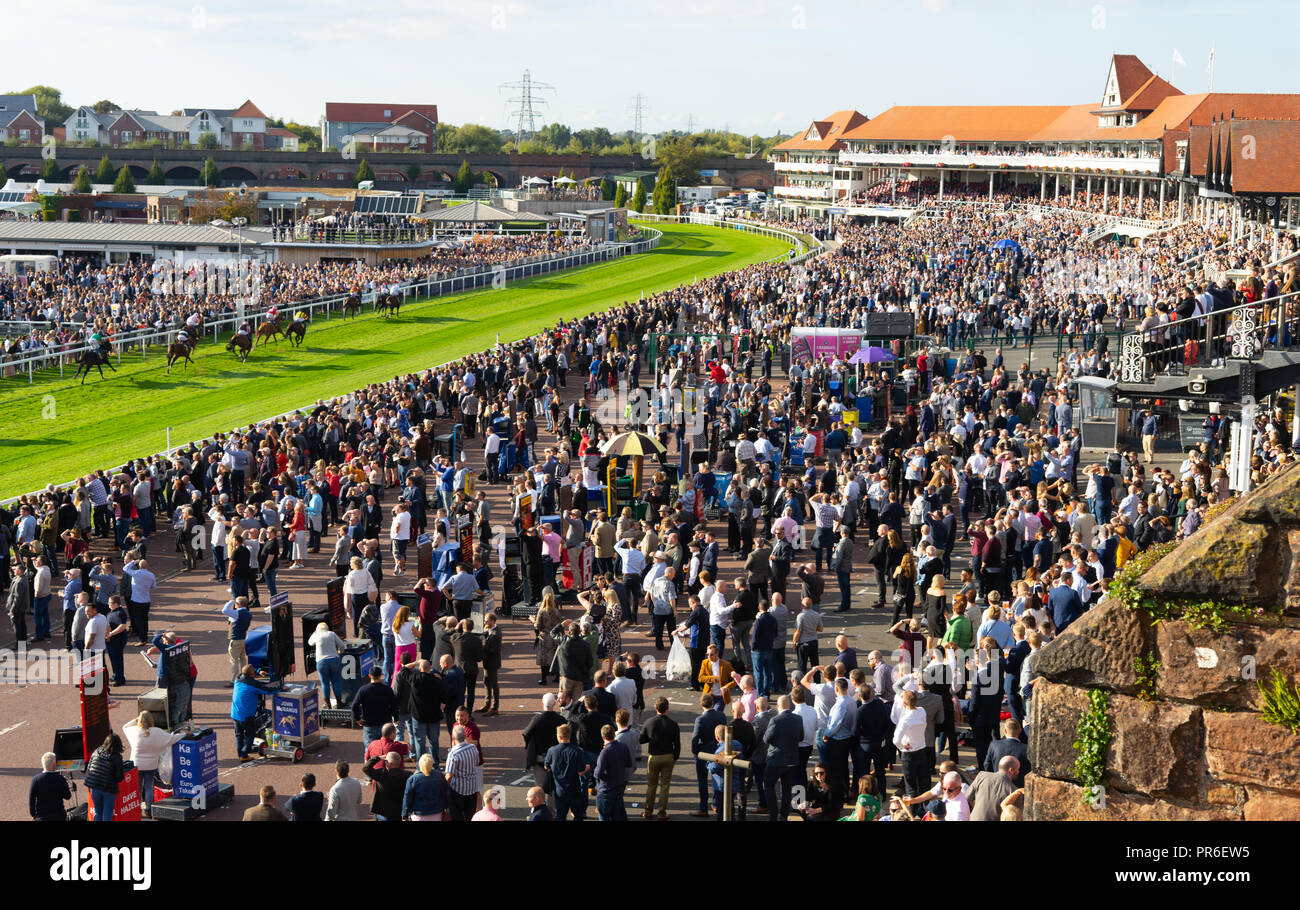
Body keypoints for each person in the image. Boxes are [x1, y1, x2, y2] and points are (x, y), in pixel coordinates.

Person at [123, 712, 186, 819]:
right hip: (151, 765)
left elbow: (125, 726)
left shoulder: (134, 731)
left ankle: (136, 809)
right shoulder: (157, 732)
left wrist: (135, 719)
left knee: (137, 789)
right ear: (151, 720)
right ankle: (148, 810)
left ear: (140, 721)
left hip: (136, 765)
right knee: (149, 787)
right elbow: (172, 739)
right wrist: (184, 734)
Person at [640, 696, 679, 820]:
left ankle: (648, 811)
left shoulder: (649, 722)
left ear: (655, 708)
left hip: (654, 757)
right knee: (665, 786)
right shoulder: (673, 724)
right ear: (667, 709)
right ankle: (662, 812)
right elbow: (677, 745)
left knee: (651, 785)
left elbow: (641, 739)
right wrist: (674, 757)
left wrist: (650, 737)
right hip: (668, 756)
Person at [545, 723, 591, 821]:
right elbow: (581, 772)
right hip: (574, 789)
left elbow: (546, 766)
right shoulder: (577, 751)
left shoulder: (552, 750)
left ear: (559, 736)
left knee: (560, 816)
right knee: (578, 815)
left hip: (559, 790)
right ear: (569, 735)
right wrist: (587, 767)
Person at [593, 722, 633, 821]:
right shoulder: (623, 747)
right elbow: (629, 764)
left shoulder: (605, 752)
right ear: (614, 734)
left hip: (606, 790)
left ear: (603, 737)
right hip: (619, 787)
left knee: (604, 816)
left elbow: (597, 774)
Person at [444, 724, 483, 821]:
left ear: (453, 737)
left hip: (458, 790)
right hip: (472, 788)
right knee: (470, 816)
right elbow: (477, 762)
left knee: (457, 816)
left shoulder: (453, 753)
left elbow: (449, 776)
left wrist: (443, 788)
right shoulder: (473, 748)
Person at [83, 732, 125, 821]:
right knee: (107, 813)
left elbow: (90, 767)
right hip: (108, 789)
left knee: (98, 812)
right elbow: (119, 778)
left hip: (94, 786)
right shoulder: (117, 757)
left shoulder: (97, 751)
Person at [968, 756, 1021, 821]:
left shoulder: (981, 776)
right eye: (1018, 769)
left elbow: (967, 797)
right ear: (1011, 770)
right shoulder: (1014, 791)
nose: (1018, 772)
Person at [363, 751, 413, 822]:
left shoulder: (382, 774)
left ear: (389, 764)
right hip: (399, 812)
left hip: (383, 812)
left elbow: (366, 768)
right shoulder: (408, 775)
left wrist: (378, 758)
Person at [308, 622, 346, 708]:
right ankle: (339, 702)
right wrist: (340, 652)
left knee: (324, 683)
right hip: (334, 660)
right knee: (336, 681)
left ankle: (327, 704)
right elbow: (342, 645)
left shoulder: (316, 635)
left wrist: (314, 633)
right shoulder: (332, 634)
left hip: (321, 662)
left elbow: (310, 643)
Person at [402, 753, 448, 821]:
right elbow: (446, 794)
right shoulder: (440, 776)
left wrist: (404, 815)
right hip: (437, 813)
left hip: (418, 814)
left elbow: (407, 799)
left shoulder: (412, 779)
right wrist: (446, 809)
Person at [30, 752, 72, 821]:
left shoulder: (35, 780)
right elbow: (67, 796)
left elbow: (32, 799)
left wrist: (33, 814)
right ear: (54, 764)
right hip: (58, 816)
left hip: (41, 816)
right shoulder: (60, 778)